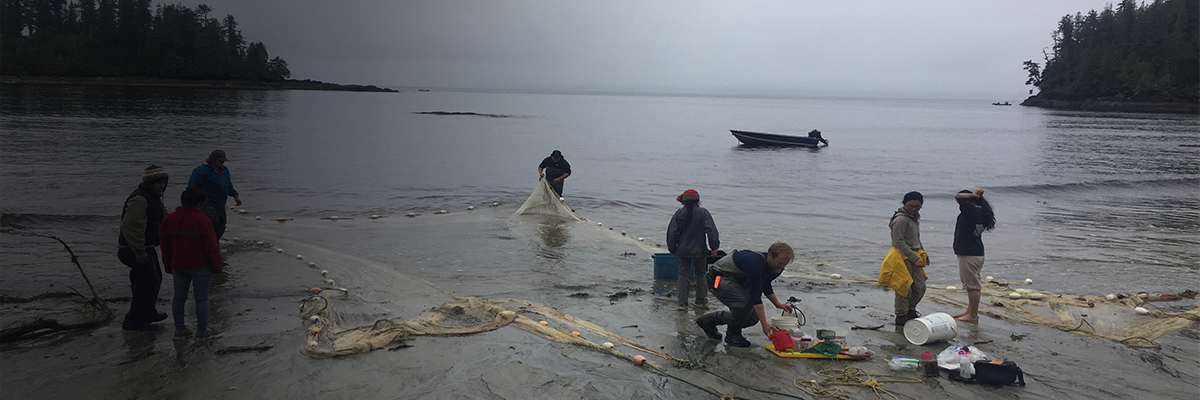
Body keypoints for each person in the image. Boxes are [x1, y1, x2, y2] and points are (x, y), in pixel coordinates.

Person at [695, 242, 795, 347]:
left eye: (785, 264)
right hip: (719, 277)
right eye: (780, 263)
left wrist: (777, 304)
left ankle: (708, 321)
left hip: (738, 282)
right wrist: (764, 323)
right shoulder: (755, 262)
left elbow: (765, 284)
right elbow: (755, 294)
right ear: (770, 255)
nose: (781, 267)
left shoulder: (776, 267)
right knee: (743, 304)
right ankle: (732, 335)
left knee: (751, 318)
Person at [159, 187, 224, 340]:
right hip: (200, 266)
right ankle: (202, 331)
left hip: (178, 265)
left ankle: (180, 328)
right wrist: (217, 266)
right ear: (200, 204)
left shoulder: (169, 219)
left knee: (179, 298)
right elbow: (212, 246)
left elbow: (164, 245)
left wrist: (168, 265)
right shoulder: (202, 220)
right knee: (201, 298)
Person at [118, 165, 171, 331]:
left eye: (163, 182)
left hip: (146, 247)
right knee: (147, 283)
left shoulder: (154, 197)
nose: (161, 185)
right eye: (158, 182)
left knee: (154, 279)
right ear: (149, 183)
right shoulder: (140, 199)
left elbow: (164, 218)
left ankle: (148, 313)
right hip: (133, 249)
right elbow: (130, 226)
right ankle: (133, 321)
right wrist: (139, 251)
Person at [879, 191, 929, 326]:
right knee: (904, 288)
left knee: (919, 286)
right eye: (910, 206)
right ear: (904, 204)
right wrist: (913, 257)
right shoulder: (901, 219)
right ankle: (901, 316)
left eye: (917, 206)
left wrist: (924, 254)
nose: (913, 209)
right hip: (900, 256)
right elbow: (898, 242)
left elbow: (916, 239)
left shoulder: (914, 218)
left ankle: (911, 310)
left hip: (914, 255)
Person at [666, 189, 720, 311]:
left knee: (683, 275)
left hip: (683, 250)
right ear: (698, 200)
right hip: (700, 249)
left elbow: (672, 233)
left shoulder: (679, 214)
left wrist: (672, 248)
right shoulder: (704, 213)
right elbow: (712, 231)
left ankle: (682, 303)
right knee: (701, 274)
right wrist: (714, 247)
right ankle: (700, 301)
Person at [952, 189, 995, 322]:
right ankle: (970, 310)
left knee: (972, 286)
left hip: (969, 253)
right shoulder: (981, 210)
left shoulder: (971, 210)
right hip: (976, 252)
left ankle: (973, 315)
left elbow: (959, 196)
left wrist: (973, 195)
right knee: (973, 283)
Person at [188, 149, 241, 240]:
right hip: (205, 204)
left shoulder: (225, 171)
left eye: (223, 160)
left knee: (221, 225)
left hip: (220, 204)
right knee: (211, 224)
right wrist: (193, 204)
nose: (222, 162)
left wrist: (235, 196)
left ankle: (214, 243)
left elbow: (228, 185)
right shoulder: (201, 170)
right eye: (220, 160)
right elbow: (192, 187)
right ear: (213, 159)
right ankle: (206, 244)